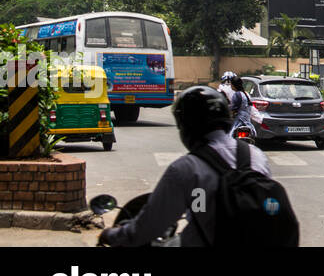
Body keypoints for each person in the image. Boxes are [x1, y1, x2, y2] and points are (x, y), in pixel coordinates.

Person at [99, 86, 273, 247]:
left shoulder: (186, 168)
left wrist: (111, 235)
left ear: (186, 125)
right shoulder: (256, 156)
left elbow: (149, 226)